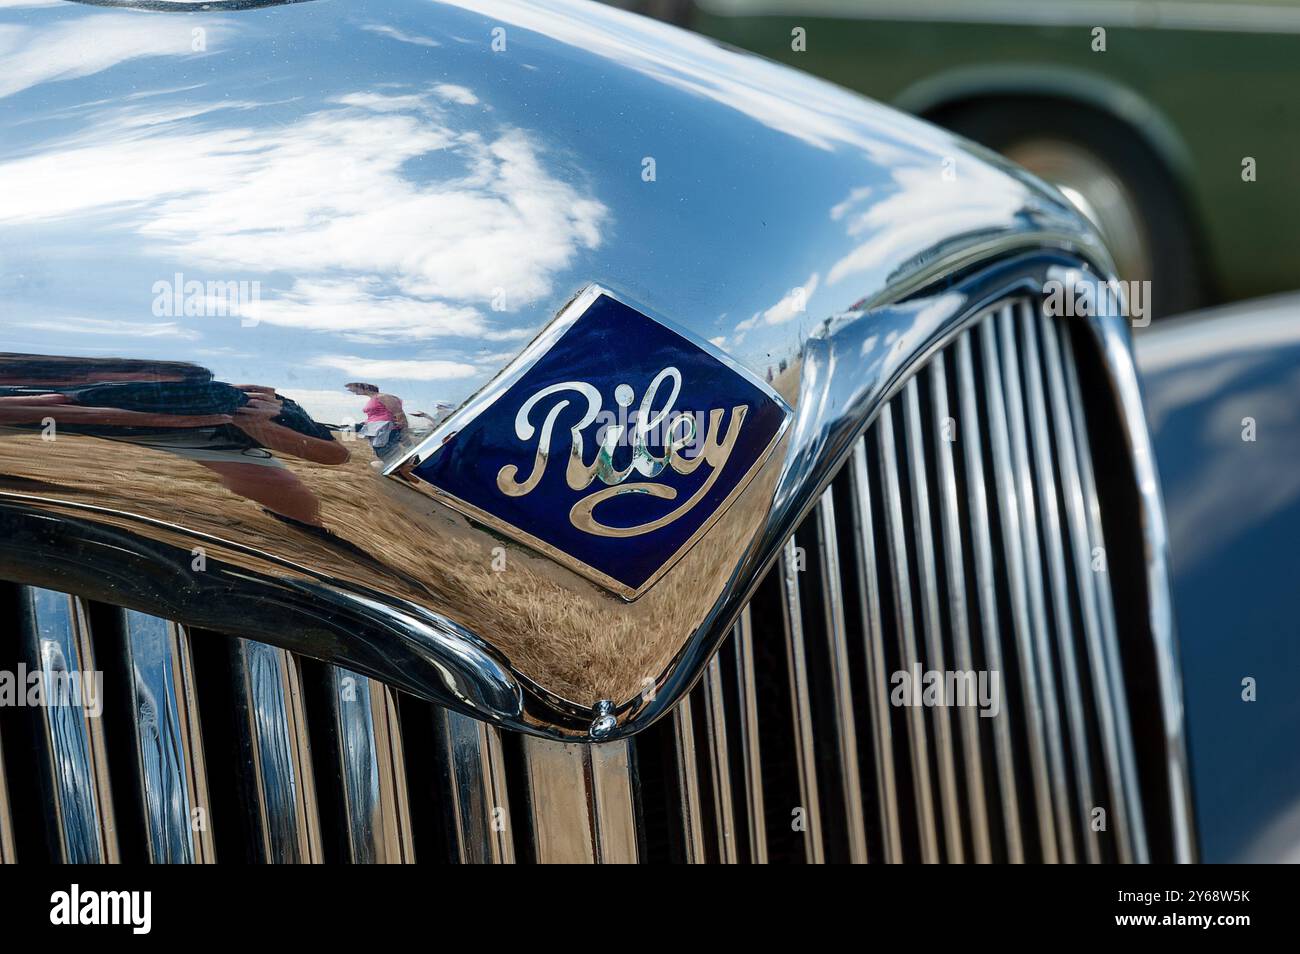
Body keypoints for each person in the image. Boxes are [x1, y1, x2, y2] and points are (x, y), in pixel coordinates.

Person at [345, 382, 408, 454]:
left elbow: (399, 413)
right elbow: (375, 416)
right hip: (376, 431)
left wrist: (404, 433)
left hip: (386, 432)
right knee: (382, 454)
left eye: (354, 389)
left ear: (364, 387)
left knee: (390, 456)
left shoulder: (383, 397)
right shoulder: (373, 399)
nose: (353, 391)